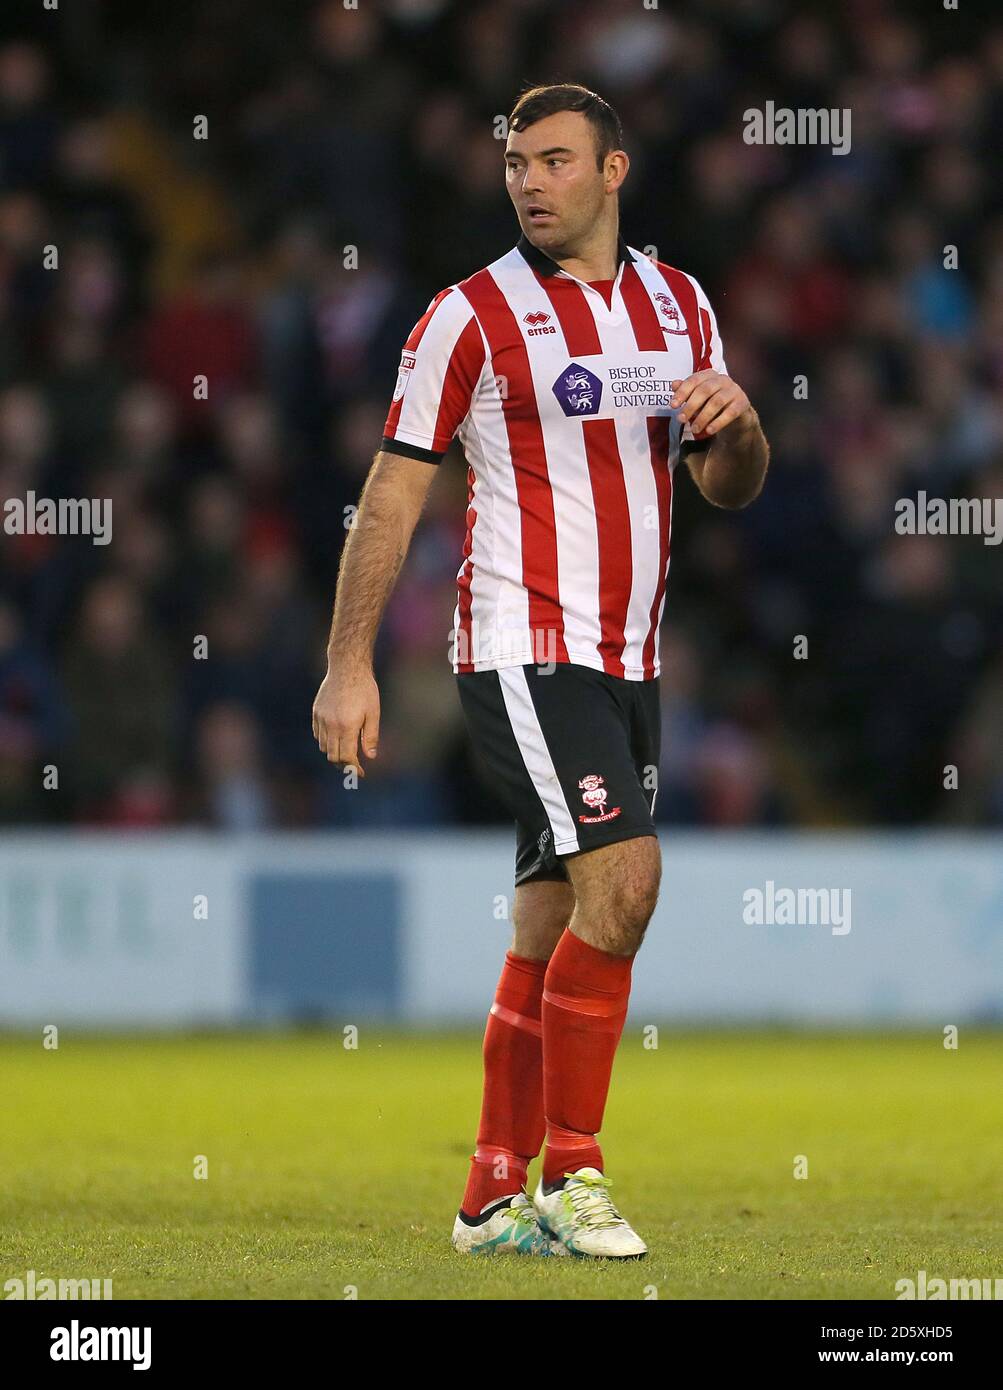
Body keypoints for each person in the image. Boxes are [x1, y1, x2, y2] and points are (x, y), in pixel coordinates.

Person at [312, 83, 768, 1260]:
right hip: (523, 643)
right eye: (516, 161)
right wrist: (347, 665)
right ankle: (573, 1172)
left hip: (628, 656)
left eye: (555, 160)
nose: (527, 180)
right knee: (627, 886)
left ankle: (485, 1196)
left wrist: (742, 426)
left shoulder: (680, 305)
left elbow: (726, 483)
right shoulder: (467, 317)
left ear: (612, 173)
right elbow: (392, 493)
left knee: (547, 921)